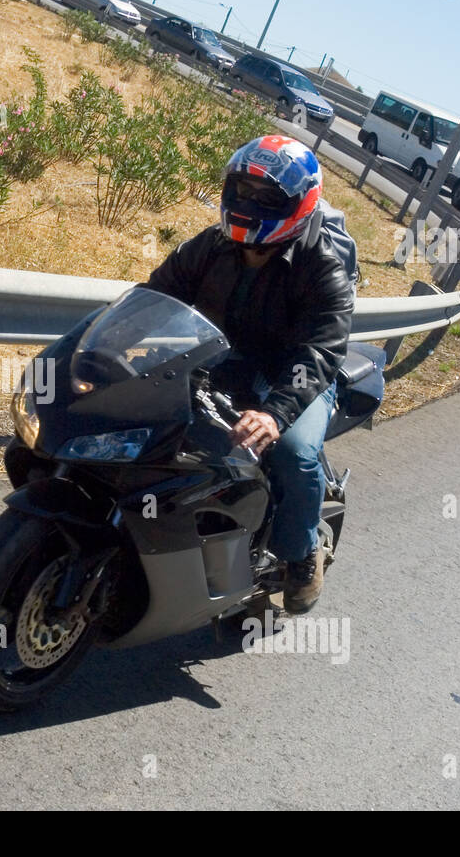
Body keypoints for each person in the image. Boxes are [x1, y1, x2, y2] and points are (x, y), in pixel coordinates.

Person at [143, 135, 355, 613]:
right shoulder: (213, 245)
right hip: (227, 359)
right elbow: (156, 294)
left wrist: (275, 413)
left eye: (267, 198)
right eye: (241, 190)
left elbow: (322, 348)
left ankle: (302, 556)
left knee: (295, 453)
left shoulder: (322, 267)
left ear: (299, 204)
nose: (248, 204)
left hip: (295, 376)